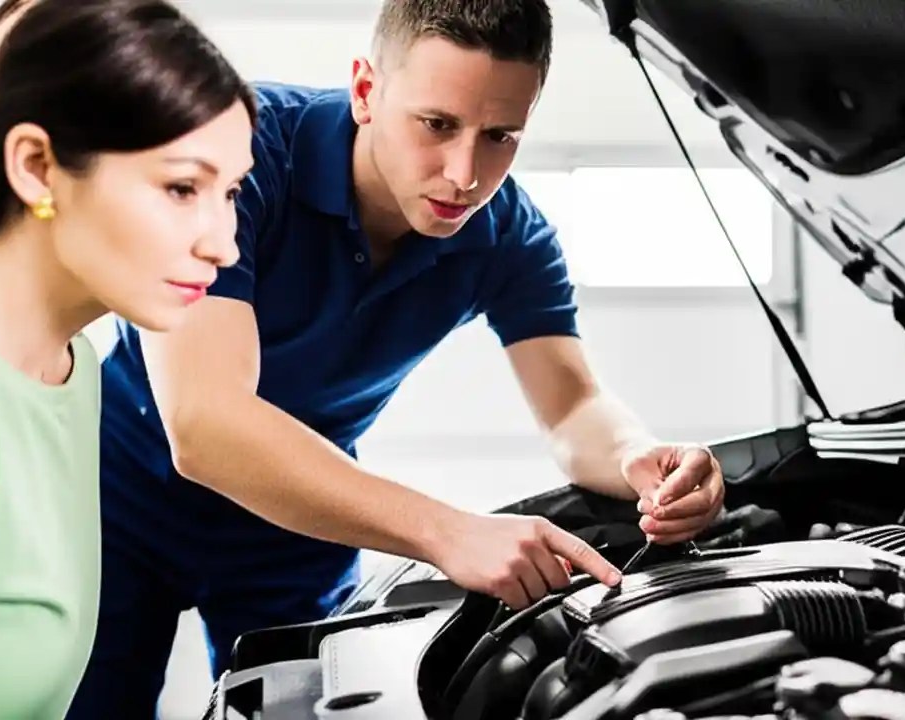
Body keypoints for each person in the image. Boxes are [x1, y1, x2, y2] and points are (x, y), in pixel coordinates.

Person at [70, 0, 728, 715]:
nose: (464, 174)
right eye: (437, 124)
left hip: (305, 518)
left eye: (500, 136)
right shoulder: (235, 159)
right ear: (365, 90)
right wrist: (449, 532)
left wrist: (638, 457)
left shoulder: (511, 237)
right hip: (117, 504)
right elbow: (205, 425)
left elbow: (573, 407)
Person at [0, 0, 255, 717]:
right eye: (182, 187)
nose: (224, 245)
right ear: (36, 167)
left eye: (231, 192)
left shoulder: (72, 366)